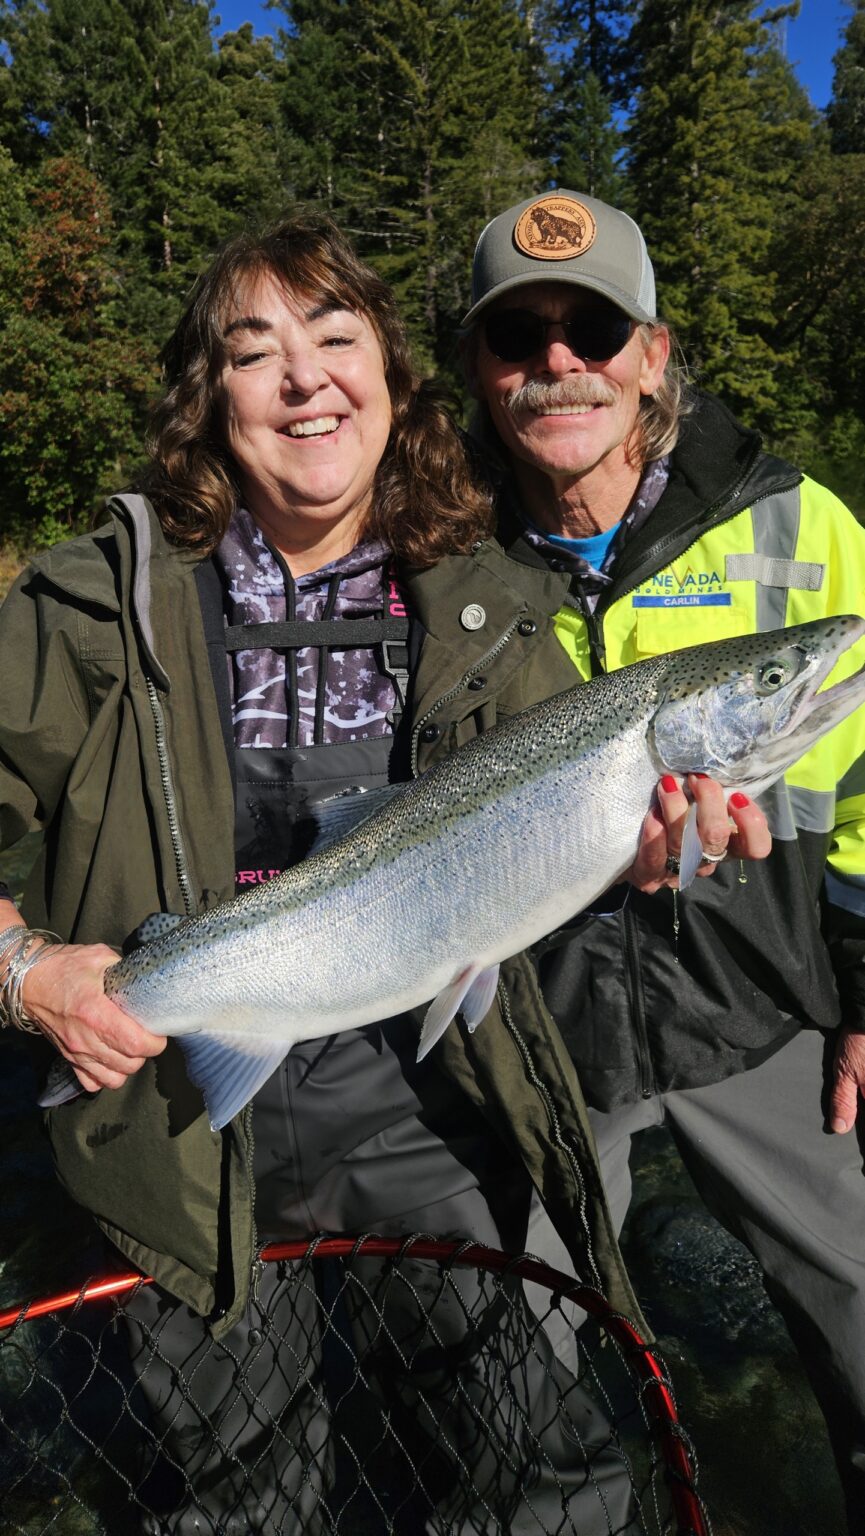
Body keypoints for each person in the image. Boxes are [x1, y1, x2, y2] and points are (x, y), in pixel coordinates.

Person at [0, 209, 762, 1534]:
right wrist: (24, 973)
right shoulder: (82, 609)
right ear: (207, 395)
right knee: (234, 1499)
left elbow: (567, 871)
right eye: (256, 349)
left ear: (391, 383)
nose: (305, 377)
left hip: (433, 1112)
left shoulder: (488, 603)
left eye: (336, 336)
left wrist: (642, 861)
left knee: (534, 1480)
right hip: (173, 1120)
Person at [459, 187, 865, 1532]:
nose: (558, 361)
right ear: (479, 368)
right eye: (520, 336)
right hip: (538, 1036)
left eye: (594, 328)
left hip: (760, 1015)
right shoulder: (426, 551)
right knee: (508, 1372)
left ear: (653, 352)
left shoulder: (796, 525)